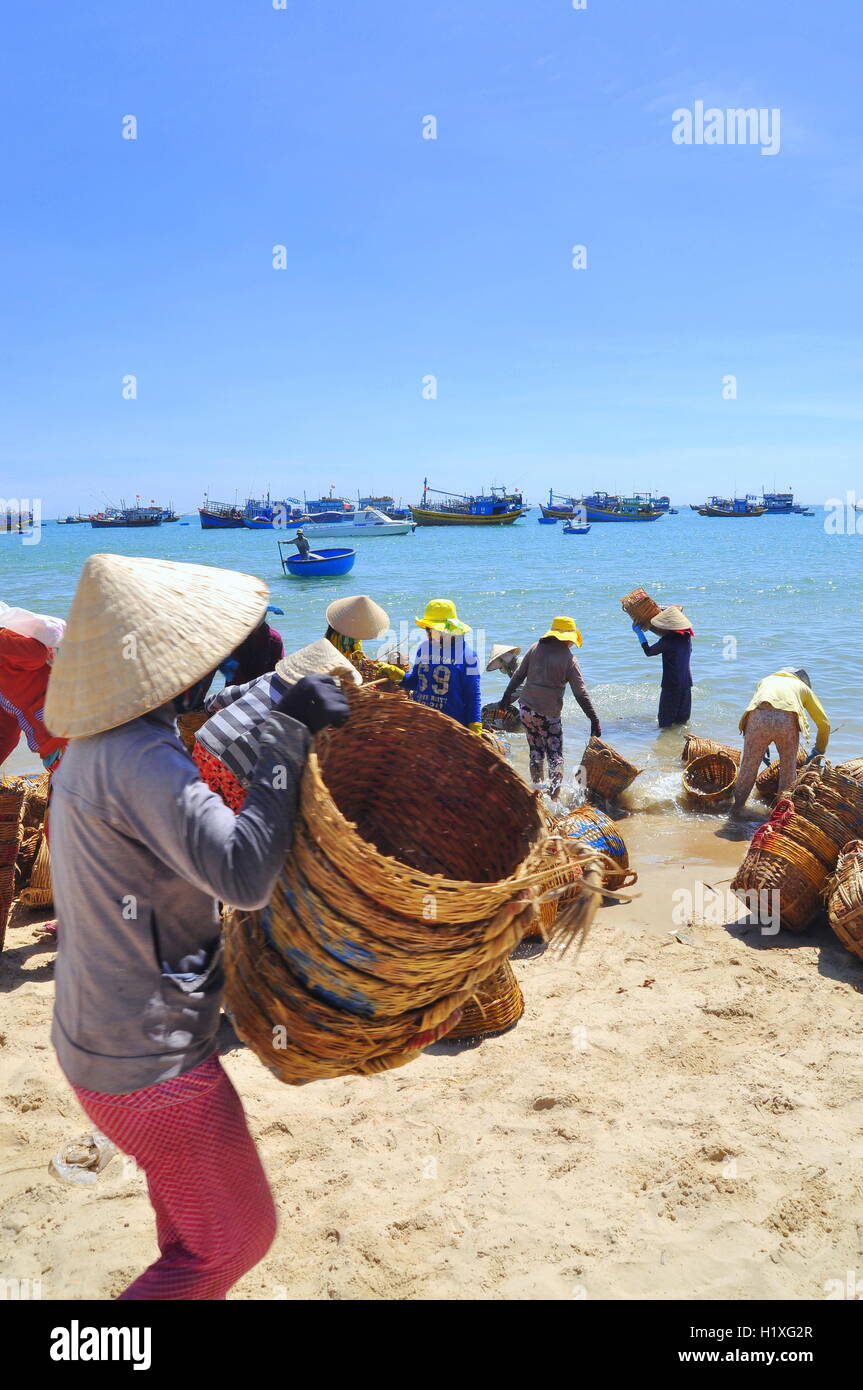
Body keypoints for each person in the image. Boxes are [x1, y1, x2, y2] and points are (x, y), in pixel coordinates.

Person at [43, 553, 349, 1300]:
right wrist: (286, 736)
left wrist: (275, 705)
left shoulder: (95, 749)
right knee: (235, 1243)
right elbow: (243, 879)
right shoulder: (142, 757)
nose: (211, 674)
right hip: (149, 1062)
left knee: (189, 1238)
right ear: (177, 672)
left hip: (99, 1037)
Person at [195, 639, 361, 811]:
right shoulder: (312, 706)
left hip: (207, 740)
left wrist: (208, 705)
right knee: (248, 821)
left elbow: (227, 695)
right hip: (238, 762)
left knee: (203, 806)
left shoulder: (271, 677)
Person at [499, 616, 601, 799]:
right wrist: (593, 719)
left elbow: (518, 676)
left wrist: (506, 697)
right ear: (569, 638)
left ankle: (537, 794)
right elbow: (581, 694)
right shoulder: (569, 659)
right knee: (555, 755)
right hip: (548, 715)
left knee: (535, 751)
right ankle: (554, 799)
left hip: (526, 710)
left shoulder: (535, 648)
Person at [731, 667, 829, 814]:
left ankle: (735, 811)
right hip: (786, 722)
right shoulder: (803, 688)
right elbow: (824, 724)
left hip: (757, 719)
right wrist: (818, 750)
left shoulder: (765, 680)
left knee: (748, 768)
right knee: (788, 771)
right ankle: (780, 815)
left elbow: (763, 705)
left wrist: (760, 744)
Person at [378, 599, 482, 733]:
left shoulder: (468, 655)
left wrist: (475, 725)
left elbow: (472, 695)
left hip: (451, 727)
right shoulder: (424, 648)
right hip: (422, 722)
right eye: (427, 629)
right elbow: (415, 682)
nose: (428, 634)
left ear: (448, 629)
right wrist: (398, 674)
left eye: (433, 630)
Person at [0, 604, 67, 771]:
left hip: (71, 738)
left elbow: (35, 655)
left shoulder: (6, 641)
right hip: (51, 749)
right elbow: (5, 735)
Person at [631, 605, 694, 728]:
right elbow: (679, 608)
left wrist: (639, 634)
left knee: (665, 723)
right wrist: (661, 607)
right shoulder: (687, 637)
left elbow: (649, 652)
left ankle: (665, 744)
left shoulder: (667, 641)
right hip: (687, 683)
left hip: (671, 685)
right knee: (682, 723)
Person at [219, 604, 285, 686]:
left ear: (264, 615)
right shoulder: (234, 636)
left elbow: (277, 668)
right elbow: (230, 669)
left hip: (263, 685)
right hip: (236, 687)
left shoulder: (274, 638)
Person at [323, 594, 390, 663]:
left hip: (331, 662)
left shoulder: (331, 633)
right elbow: (358, 655)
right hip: (344, 665)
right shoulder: (353, 637)